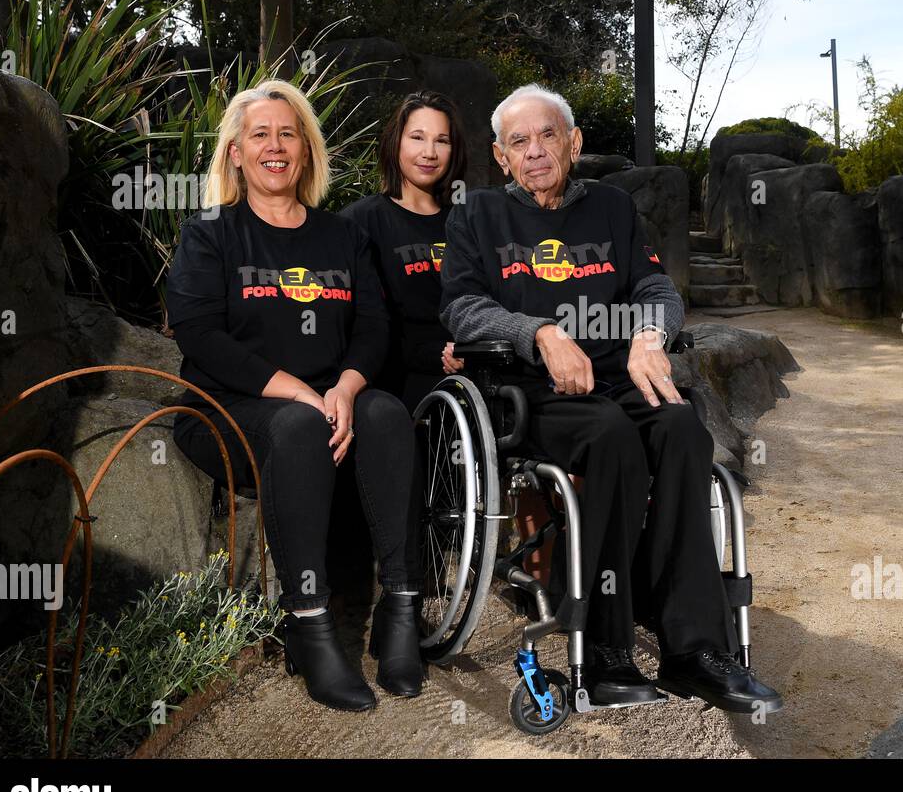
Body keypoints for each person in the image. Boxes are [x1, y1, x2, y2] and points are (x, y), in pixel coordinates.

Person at [438, 83, 782, 714]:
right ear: (501, 156)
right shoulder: (477, 216)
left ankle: (694, 649)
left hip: (620, 379)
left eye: (548, 136)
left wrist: (650, 335)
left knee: (684, 429)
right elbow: (462, 307)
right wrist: (539, 333)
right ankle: (604, 650)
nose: (535, 151)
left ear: (574, 142)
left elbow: (655, 284)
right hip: (534, 391)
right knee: (612, 439)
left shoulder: (612, 209)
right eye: (519, 142)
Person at [167, 79, 423, 711]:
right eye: (260, 135)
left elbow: (374, 326)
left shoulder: (342, 236)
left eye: (288, 134)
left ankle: (400, 608)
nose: (275, 146)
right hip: (231, 409)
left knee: (388, 415)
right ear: (235, 152)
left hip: (328, 396)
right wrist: (301, 395)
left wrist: (347, 385)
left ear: (306, 151)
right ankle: (309, 623)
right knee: (299, 426)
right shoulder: (211, 234)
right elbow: (199, 333)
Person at [338, 91, 468, 411]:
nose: (429, 152)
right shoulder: (360, 221)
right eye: (417, 137)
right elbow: (357, 323)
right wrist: (434, 354)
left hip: (472, 367)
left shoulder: (465, 219)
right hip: (397, 380)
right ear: (396, 142)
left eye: (442, 141)